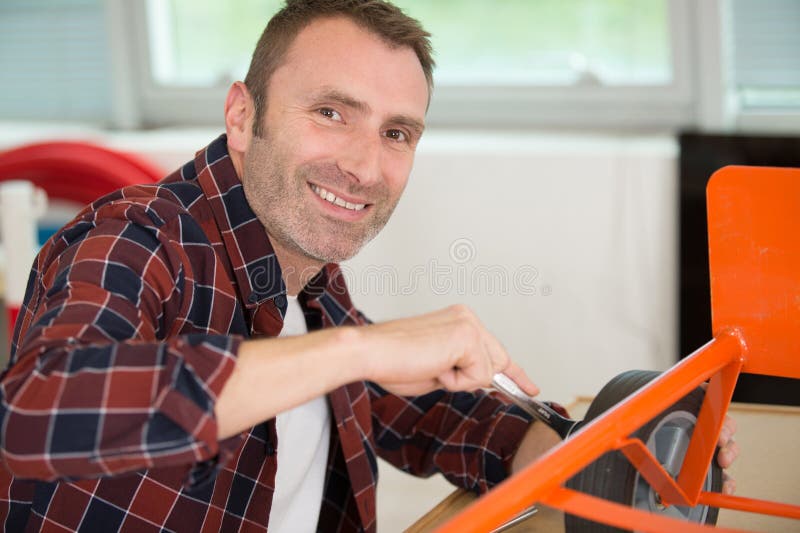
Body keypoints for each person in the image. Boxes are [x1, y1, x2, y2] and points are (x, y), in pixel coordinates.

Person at [0, 1, 738, 531]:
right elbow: (37, 413)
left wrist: (604, 454)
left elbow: (410, 408)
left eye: (397, 132)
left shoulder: (303, 274)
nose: (364, 165)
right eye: (331, 112)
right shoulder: (133, 238)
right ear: (242, 116)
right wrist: (363, 346)